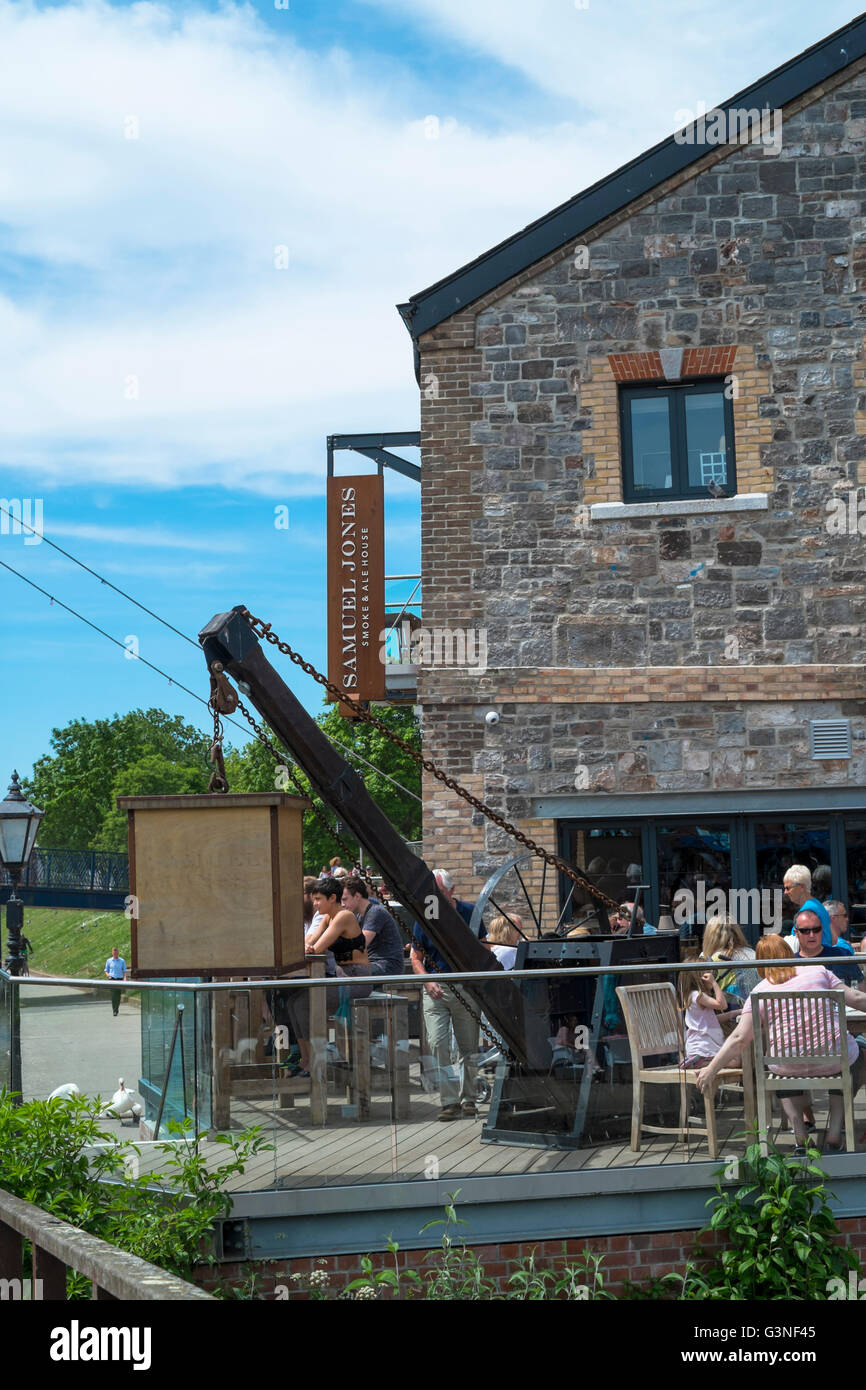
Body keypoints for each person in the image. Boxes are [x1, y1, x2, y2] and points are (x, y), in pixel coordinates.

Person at [697, 937, 866, 1152]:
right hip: (832, 1059)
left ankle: (799, 1132)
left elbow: (740, 1038)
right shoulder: (818, 971)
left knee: (780, 1064)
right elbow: (856, 997)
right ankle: (834, 1130)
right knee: (854, 1056)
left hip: (787, 1067)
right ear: (789, 953)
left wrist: (712, 1069)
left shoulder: (759, 991)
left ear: (760, 962)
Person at [410, 869, 483, 1122]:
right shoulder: (424, 916)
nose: (435, 897)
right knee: (438, 1043)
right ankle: (449, 1101)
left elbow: (483, 946)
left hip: (465, 985)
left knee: (468, 1047)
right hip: (435, 987)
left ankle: (469, 1099)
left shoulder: (470, 912)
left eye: (439, 892)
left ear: (450, 891)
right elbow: (415, 957)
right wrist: (427, 981)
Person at [340, 876, 405, 977]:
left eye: (344, 899)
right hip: (372, 964)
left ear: (357, 896)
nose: (342, 904)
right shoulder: (357, 916)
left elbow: (359, 946)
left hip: (387, 966)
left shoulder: (375, 912)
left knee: (344, 973)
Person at [678, 955, 728, 1067]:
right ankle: (701, 1062)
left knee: (727, 1060)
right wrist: (714, 983)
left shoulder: (691, 996)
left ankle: (698, 1060)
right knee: (736, 1061)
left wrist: (735, 1013)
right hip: (703, 1045)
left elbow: (710, 1020)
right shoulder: (699, 996)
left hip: (698, 1045)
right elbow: (722, 1005)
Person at [792, 907, 863, 986]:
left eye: (816, 930)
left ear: (822, 930)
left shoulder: (842, 955)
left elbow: (861, 989)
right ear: (796, 933)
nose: (812, 935)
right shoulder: (790, 964)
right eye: (805, 931)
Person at [701, 916, 758, 1006]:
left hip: (736, 1011)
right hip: (758, 1008)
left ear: (709, 937)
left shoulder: (715, 959)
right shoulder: (751, 952)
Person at [104, 946, 127, 1017]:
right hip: (112, 979)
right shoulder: (109, 961)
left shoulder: (122, 961)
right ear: (112, 953)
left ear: (118, 952)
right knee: (113, 995)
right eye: (114, 952)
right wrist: (108, 976)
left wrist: (124, 978)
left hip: (119, 979)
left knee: (118, 995)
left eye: (116, 952)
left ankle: (117, 1007)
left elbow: (124, 971)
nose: (115, 954)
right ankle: (115, 1010)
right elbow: (106, 970)